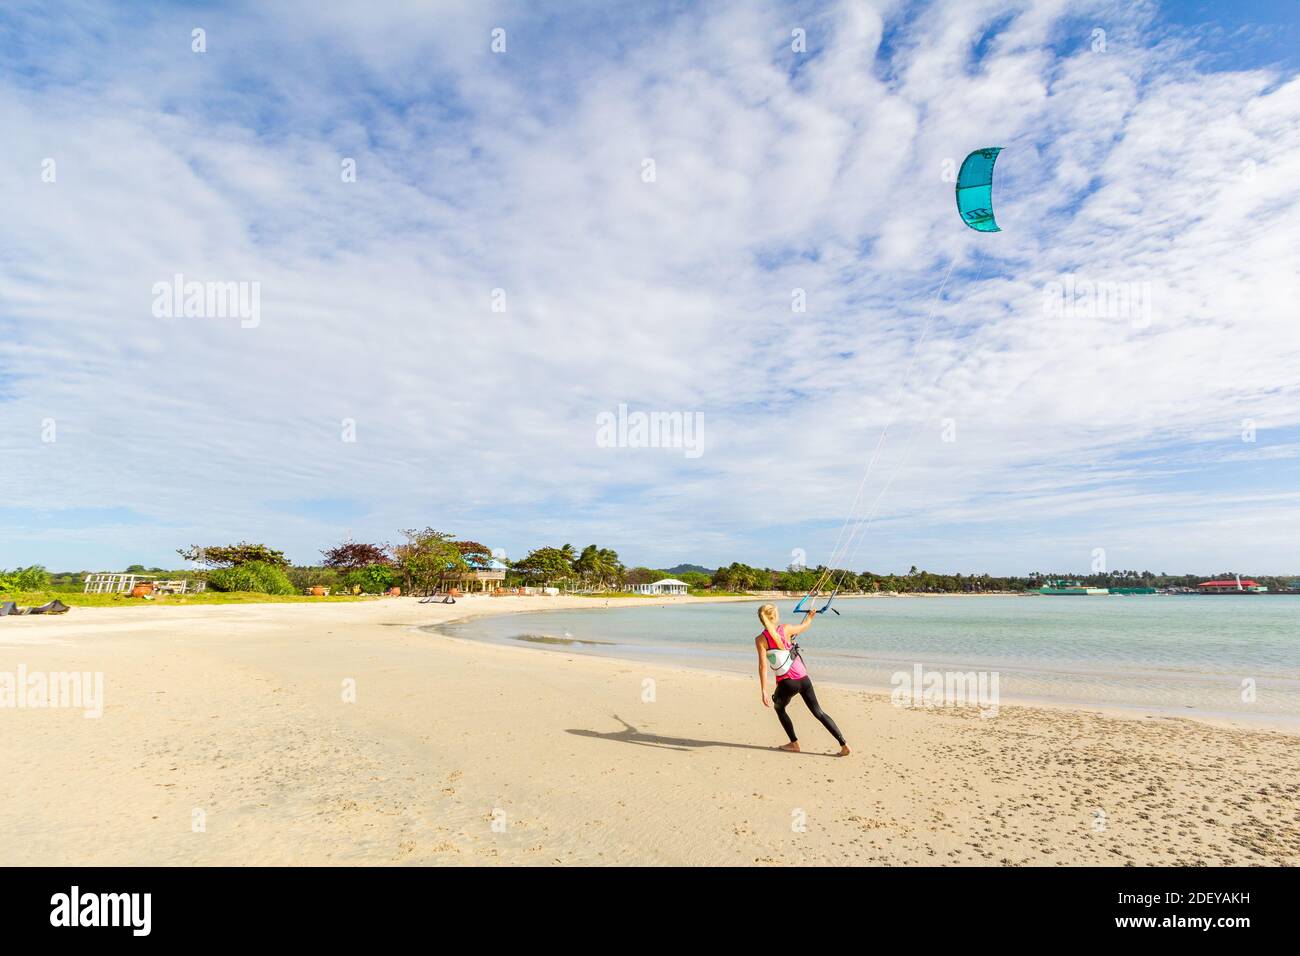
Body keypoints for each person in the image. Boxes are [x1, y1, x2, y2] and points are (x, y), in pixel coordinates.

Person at [755, 603, 850, 755]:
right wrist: (811, 616)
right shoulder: (786, 629)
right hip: (804, 678)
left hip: (787, 683)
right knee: (819, 712)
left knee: (779, 708)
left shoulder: (760, 639)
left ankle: (794, 744)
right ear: (775, 617)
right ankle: (844, 745)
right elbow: (805, 626)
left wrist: (764, 691)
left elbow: (763, 667)